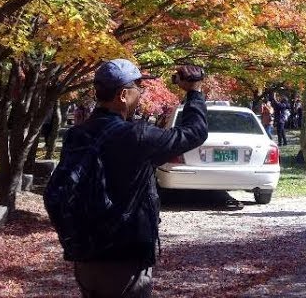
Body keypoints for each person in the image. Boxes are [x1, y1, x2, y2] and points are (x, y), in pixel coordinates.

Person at [52, 60, 208, 298]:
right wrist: (194, 92)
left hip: (86, 258)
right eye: (138, 88)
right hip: (124, 259)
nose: (142, 94)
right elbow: (194, 133)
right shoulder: (137, 137)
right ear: (123, 95)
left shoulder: (77, 135)